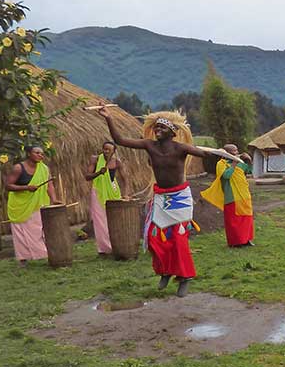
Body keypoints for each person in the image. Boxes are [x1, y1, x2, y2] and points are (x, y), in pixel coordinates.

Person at [97, 107, 239, 297]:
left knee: (178, 240)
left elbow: (204, 154)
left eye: (162, 128)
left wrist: (222, 153)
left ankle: (185, 277)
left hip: (180, 197)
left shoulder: (180, 148)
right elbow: (120, 141)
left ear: (172, 133)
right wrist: (108, 118)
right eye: (156, 127)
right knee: (156, 239)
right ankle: (165, 271)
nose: (157, 130)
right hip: (161, 198)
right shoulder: (149, 145)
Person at [4, 145, 60, 267]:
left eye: (42, 153)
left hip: (38, 205)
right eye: (37, 153)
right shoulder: (18, 168)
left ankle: (43, 255)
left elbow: (49, 185)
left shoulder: (44, 169)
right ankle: (23, 259)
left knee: (39, 231)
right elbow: (8, 186)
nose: (41, 155)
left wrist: (54, 199)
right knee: (20, 233)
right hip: (20, 206)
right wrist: (26, 188)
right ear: (29, 153)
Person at [201, 144, 255, 247]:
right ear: (226, 154)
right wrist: (234, 163)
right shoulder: (221, 164)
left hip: (244, 194)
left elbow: (249, 171)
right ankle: (236, 242)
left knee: (247, 217)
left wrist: (249, 161)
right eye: (233, 151)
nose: (236, 153)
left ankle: (246, 239)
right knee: (234, 220)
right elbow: (226, 176)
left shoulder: (240, 163)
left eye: (236, 150)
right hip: (231, 196)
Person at [85, 141, 122, 255]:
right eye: (104, 149)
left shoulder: (117, 162)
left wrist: (127, 193)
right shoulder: (95, 159)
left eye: (109, 150)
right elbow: (87, 176)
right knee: (100, 220)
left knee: (115, 219)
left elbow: (126, 178)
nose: (106, 151)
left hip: (113, 191)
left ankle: (118, 244)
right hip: (98, 191)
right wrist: (98, 173)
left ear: (114, 151)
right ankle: (104, 249)